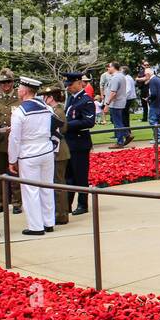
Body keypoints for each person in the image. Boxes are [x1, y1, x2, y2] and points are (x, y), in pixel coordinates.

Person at [8, 77, 57, 236]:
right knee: (47, 187)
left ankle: (36, 226)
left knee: (31, 190)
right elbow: (54, 130)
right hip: (46, 150)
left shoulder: (20, 111)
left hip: (29, 152)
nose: (17, 90)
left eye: (19, 88)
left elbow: (14, 138)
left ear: (25, 91)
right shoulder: (47, 107)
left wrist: (12, 159)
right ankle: (48, 222)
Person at [0, 70, 21, 215]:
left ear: (13, 82)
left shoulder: (20, 97)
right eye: (2, 83)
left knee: (15, 173)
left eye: (8, 82)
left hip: (15, 139)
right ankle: (0, 201)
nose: (6, 85)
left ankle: (17, 202)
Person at [63, 72, 95, 215]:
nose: (68, 88)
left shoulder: (86, 100)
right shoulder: (71, 99)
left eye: (70, 85)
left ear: (78, 83)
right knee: (69, 176)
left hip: (79, 142)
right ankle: (67, 204)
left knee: (80, 176)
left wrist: (67, 125)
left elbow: (89, 121)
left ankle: (83, 204)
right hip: (69, 142)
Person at [40, 83, 72, 225]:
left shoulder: (56, 111)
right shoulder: (54, 109)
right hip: (57, 150)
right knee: (57, 183)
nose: (43, 99)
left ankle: (61, 214)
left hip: (58, 151)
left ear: (50, 97)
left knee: (58, 184)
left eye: (45, 97)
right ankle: (59, 212)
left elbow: (60, 130)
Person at [104, 62, 131, 148]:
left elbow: (113, 92)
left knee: (117, 122)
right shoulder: (121, 76)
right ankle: (127, 135)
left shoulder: (116, 77)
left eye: (109, 67)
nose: (108, 68)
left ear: (113, 67)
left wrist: (107, 104)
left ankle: (120, 142)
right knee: (118, 121)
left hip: (115, 103)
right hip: (120, 102)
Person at [143, 63, 160, 144]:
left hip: (155, 104)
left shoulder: (152, 81)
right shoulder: (159, 79)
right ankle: (157, 138)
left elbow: (154, 94)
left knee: (152, 121)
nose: (145, 77)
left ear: (148, 74)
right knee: (158, 121)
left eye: (145, 75)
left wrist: (148, 98)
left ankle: (159, 136)